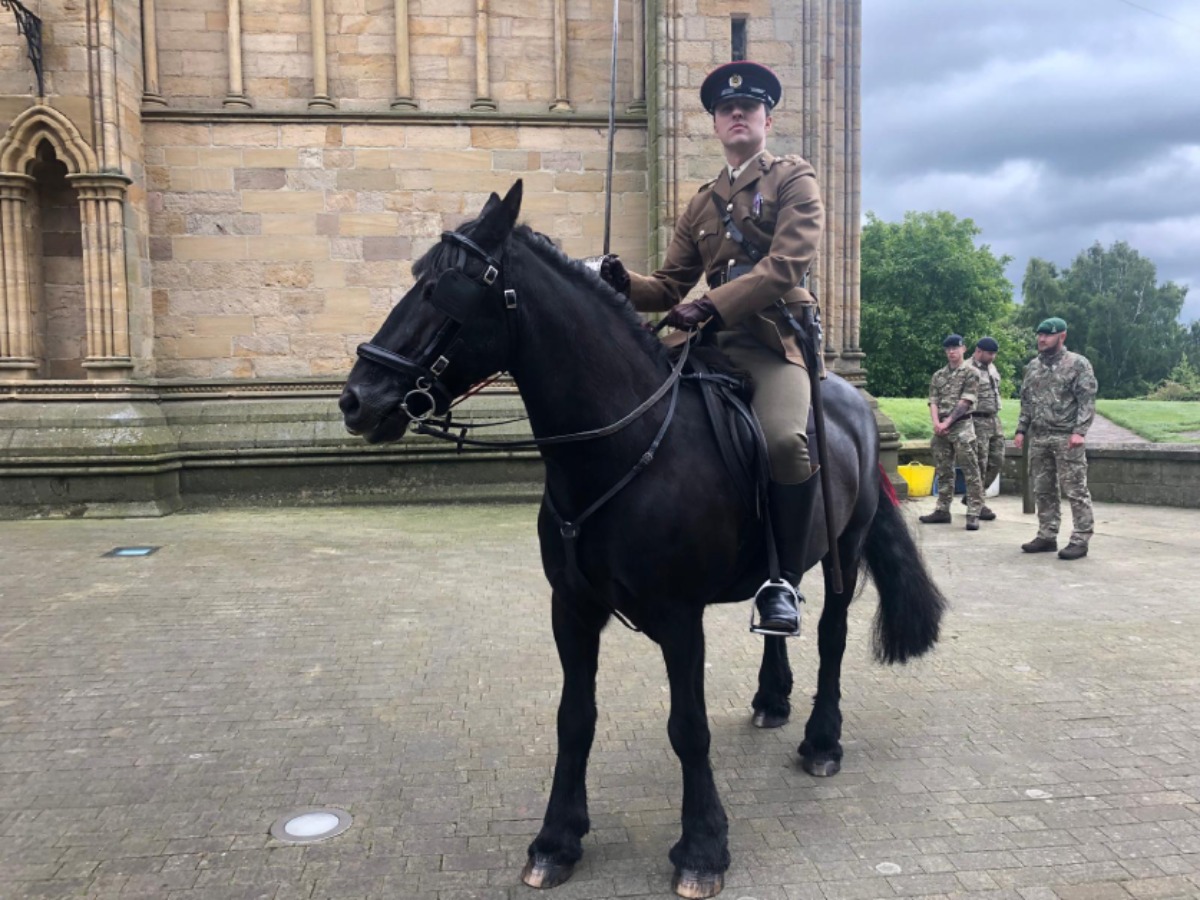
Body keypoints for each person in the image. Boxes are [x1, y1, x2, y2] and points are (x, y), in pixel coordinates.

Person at [596, 60, 823, 637]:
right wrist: (622, 281)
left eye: (748, 107)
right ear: (716, 125)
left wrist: (712, 304)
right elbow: (670, 286)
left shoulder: (794, 179)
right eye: (727, 109)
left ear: (767, 119)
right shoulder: (701, 203)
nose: (738, 115)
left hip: (772, 343)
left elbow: (785, 265)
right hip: (708, 342)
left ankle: (784, 583)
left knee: (784, 442)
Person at [1014, 317, 1098, 560]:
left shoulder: (1078, 364)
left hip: (1066, 437)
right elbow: (1026, 401)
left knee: (1075, 489)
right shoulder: (1032, 367)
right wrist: (1021, 429)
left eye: (1048, 335)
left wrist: (1079, 431)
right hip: (1039, 437)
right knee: (1043, 489)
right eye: (1039, 334)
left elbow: (1086, 401)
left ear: (1062, 336)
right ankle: (1047, 534)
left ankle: (1081, 538)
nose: (1042, 339)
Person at [919, 334, 985, 530]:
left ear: (963, 349)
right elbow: (933, 400)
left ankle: (974, 512)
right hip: (942, 429)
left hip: (962, 426)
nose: (951, 352)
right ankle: (942, 509)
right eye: (948, 348)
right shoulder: (938, 375)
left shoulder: (971, 373)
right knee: (944, 470)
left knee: (971, 471)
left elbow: (966, 401)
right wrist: (937, 423)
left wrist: (947, 422)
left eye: (955, 348)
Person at [962, 336, 1003, 521]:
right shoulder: (966, 368)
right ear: (978, 351)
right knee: (979, 463)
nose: (993, 357)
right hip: (976, 420)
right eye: (989, 353)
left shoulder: (991, 367)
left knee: (997, 460)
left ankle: (974, 497)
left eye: (994, 353)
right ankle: (976, 504)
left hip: (994, 419)